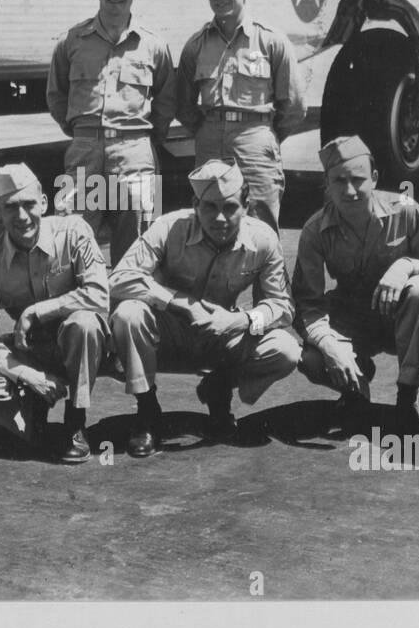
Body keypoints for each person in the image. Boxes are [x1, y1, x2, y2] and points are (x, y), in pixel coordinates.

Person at [109, 160, 300, 457]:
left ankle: (219, 386)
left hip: (224, 335)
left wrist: (240, 321)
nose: (220, 218)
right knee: (128, 314)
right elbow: (119, 278)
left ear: (247, 205)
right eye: (210, 207)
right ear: (195, 204)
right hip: (169, 334)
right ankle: (147, 410)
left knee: (286, 350)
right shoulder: (169, 227)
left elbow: (282, 306)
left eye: (230, 207)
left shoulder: (264, 239)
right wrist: (182, 303)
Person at [292, 135, 419, 431]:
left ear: (375, 178)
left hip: (403, 319)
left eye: (358, 179)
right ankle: (355, 385)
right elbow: (307, 303)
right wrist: (330, 346)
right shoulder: (315, 230)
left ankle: (407, 402)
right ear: (326, 184)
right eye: (339, 181)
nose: (350, 190)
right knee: (311, 358)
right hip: (354, 321)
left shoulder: (405, 209)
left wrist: (406, 265)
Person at [0, 164, 111, 464]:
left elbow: (98, 295)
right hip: (31, 349)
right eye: (11, 208)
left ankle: (75, 420)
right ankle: (33, 415)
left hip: (80, 344)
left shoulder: (74, 232)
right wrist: (30, 376)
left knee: (85, 323)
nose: (22, 216)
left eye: (29, 204)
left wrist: (36, 311)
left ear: (43, 201)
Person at [46, 0, 176, 264]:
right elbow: (56, 95)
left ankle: (128, 313)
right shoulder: (71, 42)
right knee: (73, 241)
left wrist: (140, 139)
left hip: (134, 157)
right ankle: (80, 313)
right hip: (85, 151)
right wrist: (83, 132)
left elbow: (166, 101)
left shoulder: (154, 46)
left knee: (137, 247)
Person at [175, 0, 306, 231]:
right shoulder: (195, 46)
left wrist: (264, 135)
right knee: (209, 228)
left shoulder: (272, 42)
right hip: (209, 144)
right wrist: (208, 129)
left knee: (261, 231)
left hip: (254, 145)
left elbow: (294, 107)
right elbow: (183, 105)